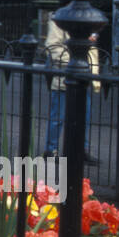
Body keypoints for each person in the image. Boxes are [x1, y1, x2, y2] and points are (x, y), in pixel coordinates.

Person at [44, 14, 100, 163]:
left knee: (84, 116)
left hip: (84, 74)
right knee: (58, 117)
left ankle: (81, 150)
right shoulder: (58, 19)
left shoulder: (85, 17)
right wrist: (75, 61)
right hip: (64, 76)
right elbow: (52, 47)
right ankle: (51, 150)